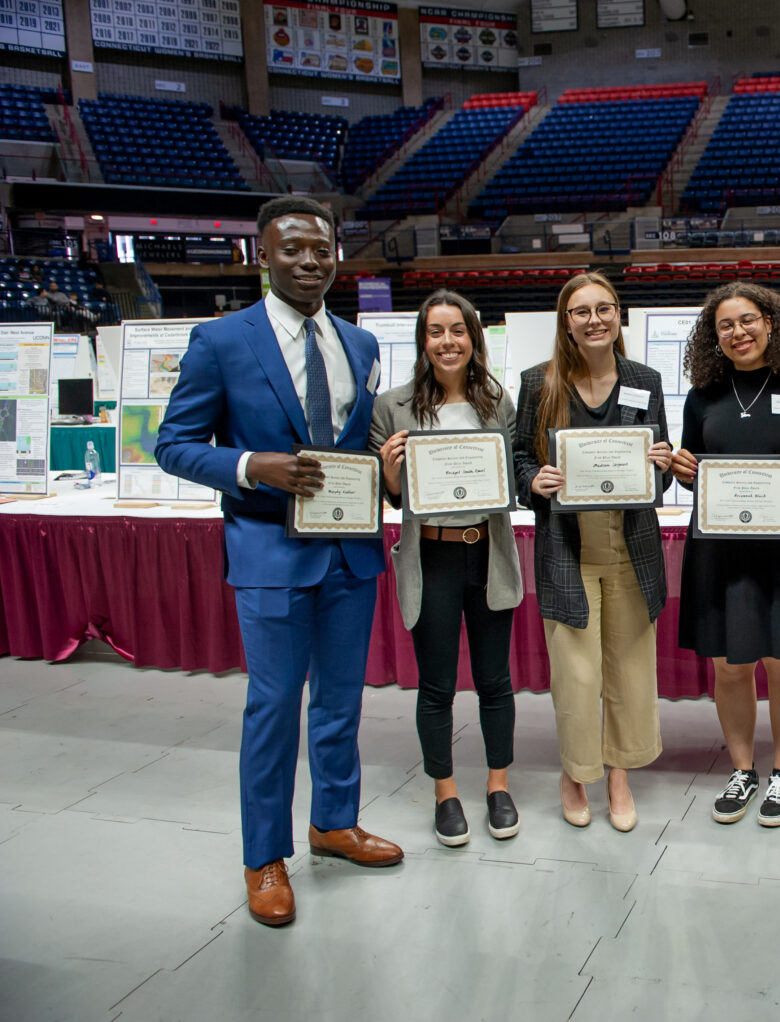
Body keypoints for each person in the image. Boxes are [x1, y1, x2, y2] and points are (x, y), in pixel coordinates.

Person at [155, 196, 401, 928]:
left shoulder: (359, 344)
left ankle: (334, 822)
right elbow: (172, 444)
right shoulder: (221, 340)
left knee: (339, 702)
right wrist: (249, 466)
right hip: (268, 552)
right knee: (271, 709)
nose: (308, 260)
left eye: (321, 248)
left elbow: (353, 449)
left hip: (350, 551)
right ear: (262, 255)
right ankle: (264, 856)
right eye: (291, 248)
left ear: (336, 256)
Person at [511, 271, 672, 832]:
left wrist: (660, 464)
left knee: (629, 670)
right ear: (566, 322)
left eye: (605, 308)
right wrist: (534, 481)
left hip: (630, 545)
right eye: (582, 311)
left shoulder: (644, 379)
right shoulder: (540, 383)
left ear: (619, 316)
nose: (595, 319)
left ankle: (620, 774)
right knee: (576, 675)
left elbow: (663, 470)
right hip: (567, 546)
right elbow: (517, 460)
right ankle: (576, 773)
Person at [670, 283, 780, 828]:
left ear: (770, 322)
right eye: (724, 325)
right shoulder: (703, 396)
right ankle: (743, 769)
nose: (737, 332)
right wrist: (683, 472)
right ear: (712, 337)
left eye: (747, 321)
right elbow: (694, 469)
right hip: (721, 548)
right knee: (730, 664)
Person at [371, 290, 523, 848]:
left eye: (457, 330)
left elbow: (512, 477)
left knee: (495, 681)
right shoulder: (393, 405)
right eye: (435, 331)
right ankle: (445, 793)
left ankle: (498, 787)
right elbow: (388, 497)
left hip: (487, 552)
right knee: (435, 685)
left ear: (473, 337)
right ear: (422, 341)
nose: (447, 341)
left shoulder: (497, 401)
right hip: (429, 555)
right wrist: (389, 474)